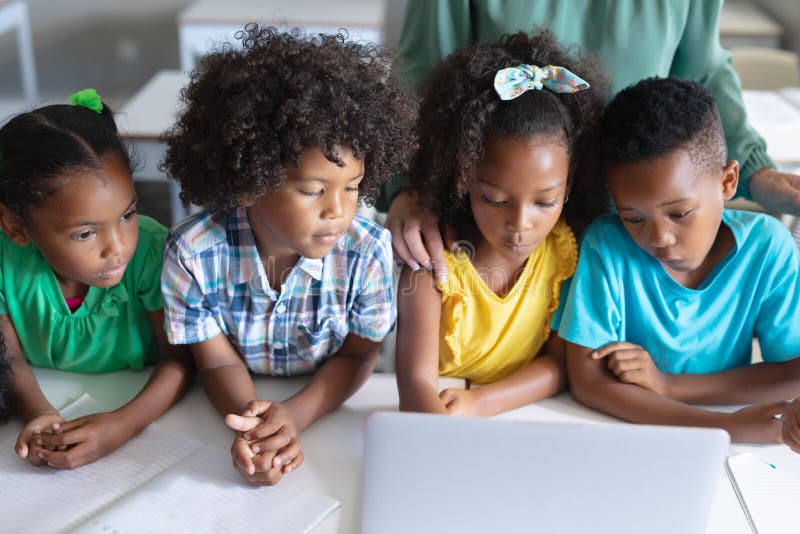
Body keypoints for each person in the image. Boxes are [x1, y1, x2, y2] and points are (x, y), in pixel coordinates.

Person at [160, 25, 416, 486]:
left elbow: (359, 356)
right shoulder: (193, 253)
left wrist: (293, 416)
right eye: (314, 190)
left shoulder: (368, 250)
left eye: (353, 188)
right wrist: (253, 429)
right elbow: (216, 361)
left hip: (328, 405)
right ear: (249, 183)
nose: (338, 210)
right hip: (230, 401)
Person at [387, 0, 800, 282]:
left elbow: (702, 71)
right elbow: (422, 71)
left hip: (626, 227)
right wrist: (409, 187)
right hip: (492, 229)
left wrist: (754, 167)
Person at [560, 77, 800, 443]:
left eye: (680, 213)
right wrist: (724, 428)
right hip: (626, 437)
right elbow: (589, 382)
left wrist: (670, 385)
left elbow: (792, 372)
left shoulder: (768, 248)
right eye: (634, 218)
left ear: (728, 182)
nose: (659, 238)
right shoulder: (606, 245)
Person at [395, 30, 608, 415]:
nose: (520, 223)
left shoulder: (568, 255)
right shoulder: (433, 266)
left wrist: (479, 402)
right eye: (494, 199)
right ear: (462, 178)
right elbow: (415, 383)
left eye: (545, 201)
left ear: (570, 183)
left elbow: (560, 365)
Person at [0, 89, 194, 468]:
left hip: (156, 409)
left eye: (127, 214)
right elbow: (12, 364)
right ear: (16, 226)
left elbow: (182, 361)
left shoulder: (152, 254)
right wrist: (41, 414)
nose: (118, 246)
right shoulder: (6, 264)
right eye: (85, 233)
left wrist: (123, 425)